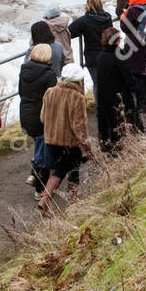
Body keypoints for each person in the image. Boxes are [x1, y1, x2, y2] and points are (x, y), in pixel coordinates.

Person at [37, 72, 94, 212]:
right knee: (72, 169)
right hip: (70, 142)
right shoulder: (78, 97)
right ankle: (71, 203)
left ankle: (46, 200)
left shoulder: (49, 92)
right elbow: (79, 126)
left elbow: (43, 118)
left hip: (51, 140)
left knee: (60, 169)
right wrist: (86, 144)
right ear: (78, 81)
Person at [95, 28, 144, 153]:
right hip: (121, 97)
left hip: (105, 99)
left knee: (111, 126)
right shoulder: (119, 56)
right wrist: (137, 86)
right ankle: (129, 148)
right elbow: (128, 78)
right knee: (126, 124)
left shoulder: (100, 57)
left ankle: (111, 146)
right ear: (117, 41)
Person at [18, 43, 59, 192]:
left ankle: (34, 173)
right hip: (42, 115)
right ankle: (40, 189)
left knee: (40, 145)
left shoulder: (23, 70)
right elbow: (53, 99)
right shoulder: (49, 75)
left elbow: (21, 92)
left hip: (26, 113)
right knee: (45, 151)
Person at [67, 0, 113, 96]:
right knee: (107, 82)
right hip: (107, 54)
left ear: (88, 5)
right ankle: (111, 107)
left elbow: (69, 32)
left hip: (92, 57)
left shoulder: (84, 20)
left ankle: (100, 109)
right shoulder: (108, 18)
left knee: (97, 83)